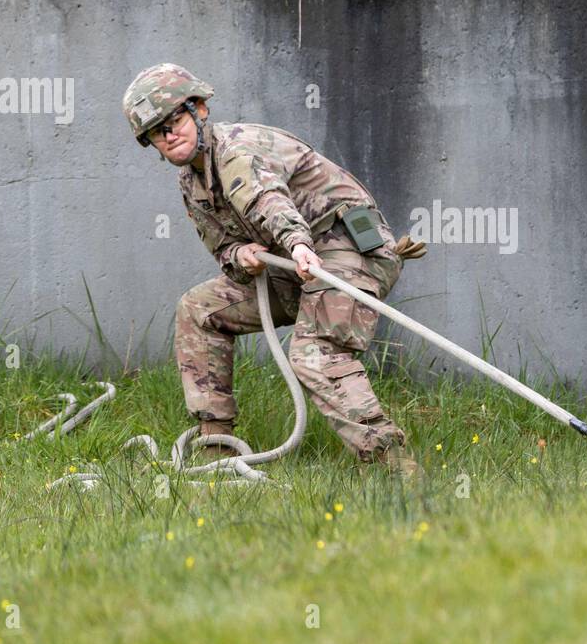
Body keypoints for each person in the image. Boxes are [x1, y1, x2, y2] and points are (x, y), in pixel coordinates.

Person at [121, 63, 427, 478]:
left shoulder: (237, 151)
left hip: (347, 254)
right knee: (198, 310)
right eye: (157, 131)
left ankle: (392, 464)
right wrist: (240, 254)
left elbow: (268, 201)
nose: (169, 134)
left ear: (200, 110)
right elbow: (223, 248)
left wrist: (298, 243)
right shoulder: (191, 182)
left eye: (174, 119)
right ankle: (217, 445)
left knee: (314, 352)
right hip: (290, 267)